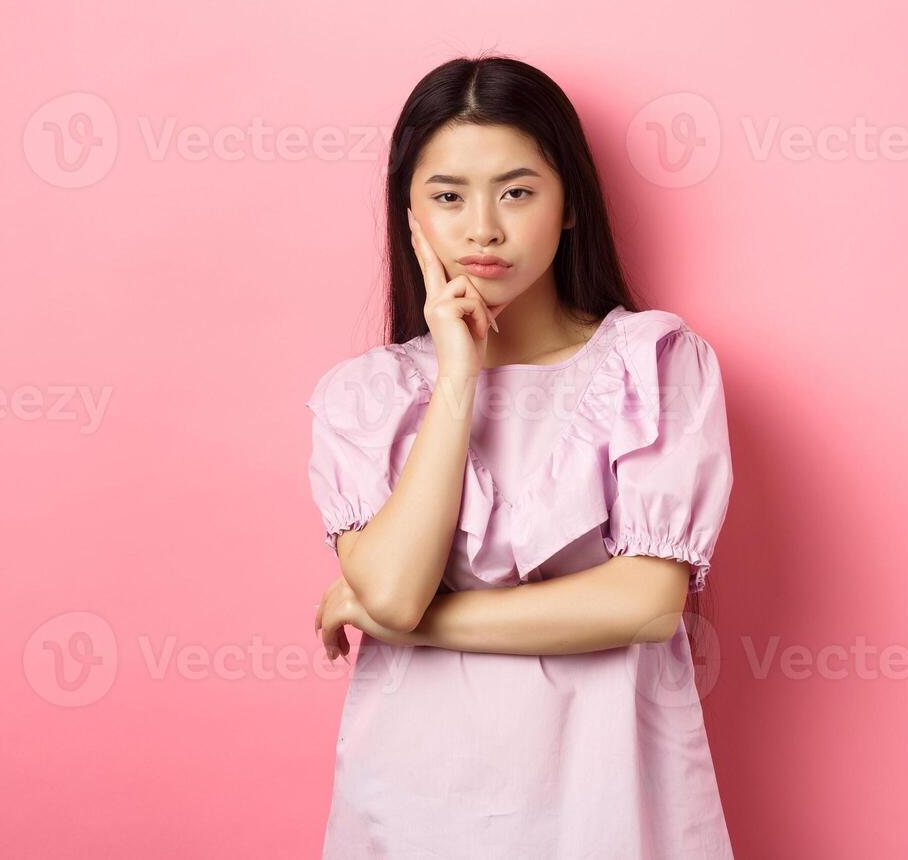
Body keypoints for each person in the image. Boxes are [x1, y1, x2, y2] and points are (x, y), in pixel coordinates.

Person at [309, 55, 736, 858]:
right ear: (409, 214)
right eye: (447, 197)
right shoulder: (365, 397)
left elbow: (643, 603)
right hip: (413, 801)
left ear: (568, 203)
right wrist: (456, 378)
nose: (482, 229)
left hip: (604, 800)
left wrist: (390, 619)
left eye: (515, 191)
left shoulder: (653, 364)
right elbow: (396, 594)